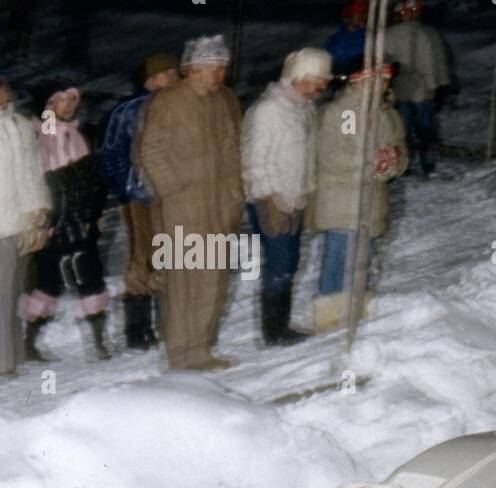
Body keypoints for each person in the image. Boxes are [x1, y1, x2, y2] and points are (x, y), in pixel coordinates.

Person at [137, 34, 243, 371]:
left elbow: (230, 154)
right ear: (191, 69)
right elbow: (150, 151)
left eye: (221, 69)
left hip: (216, 205)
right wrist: (172, 190)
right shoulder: (168, 102)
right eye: (211, 68)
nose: (217, 76)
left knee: (212, 279)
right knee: (184, 280)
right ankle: (181, 354)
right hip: (182, 205)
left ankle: (201, 348)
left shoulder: (220, 103)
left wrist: (233, 196)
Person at [242, 47, 330, 347]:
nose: (321, 86)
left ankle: (280, 325)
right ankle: (274, 332)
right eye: (317, 79)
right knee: (279, 263)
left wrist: (307, 189)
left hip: (295, 197)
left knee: (290, 261)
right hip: (272, 200)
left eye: (324, 81)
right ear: (298, 76)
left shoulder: (302, 108)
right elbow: (253, 159)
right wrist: (269, 197)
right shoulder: (269, 110)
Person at [306, 63, 405, 333]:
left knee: (365, 256)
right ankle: (328, 315)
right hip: (343, 198)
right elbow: (333, 155)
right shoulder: (346, 113)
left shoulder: (387, 114)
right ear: (357, 82)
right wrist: (371, 161)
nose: (382, 86)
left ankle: (355, 307)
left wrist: (392, 164)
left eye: (385, 81)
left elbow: (400, 150)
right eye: (375, 80)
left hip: (372, 199)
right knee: (339, 255)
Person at [19, 84, 110, 362]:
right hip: (53, 221)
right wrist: (42, 221)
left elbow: (92, 182)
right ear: (47, 105)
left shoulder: (79, 134)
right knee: (49, 281)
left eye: (72, 99)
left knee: (91, 275)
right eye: (60, 100)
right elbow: (38, 183)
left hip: (81, 219)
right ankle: (28, 341)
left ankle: (98, 342)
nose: (68, 105)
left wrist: (95, 214)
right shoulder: (39, 136)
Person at [99, 51, 180, 350]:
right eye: (167, 73)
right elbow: (110, 153)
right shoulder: (129, 111)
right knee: (143, 257)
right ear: (152, 79)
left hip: (176, 196)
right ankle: (137, 329)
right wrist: (127, 187)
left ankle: (166, 323)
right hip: (141, 196)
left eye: (174, 72)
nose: (173, 77)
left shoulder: (184, 106)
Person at [0, 76, 50, 376]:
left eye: (3, 88)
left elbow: (33, 172)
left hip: (18, 221)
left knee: (13, 290)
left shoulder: (20, 125)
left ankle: (12, 356)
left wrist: (37, 216)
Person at [384, 0, 452, 178]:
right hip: (421, 90)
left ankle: (405, 165)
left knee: (403, 129)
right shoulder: (425, 33)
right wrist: (439, 86)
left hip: (402, 90)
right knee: (425, 129)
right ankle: (427, 165)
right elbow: (435, 62)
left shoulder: (390, 35)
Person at [324, 0, 369, 77]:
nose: (350, 18)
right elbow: (327, 54)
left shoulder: (368, 37)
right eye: (350, 16)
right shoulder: (337, 37)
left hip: (355, 74)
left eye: (359, 14)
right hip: (337, 74)